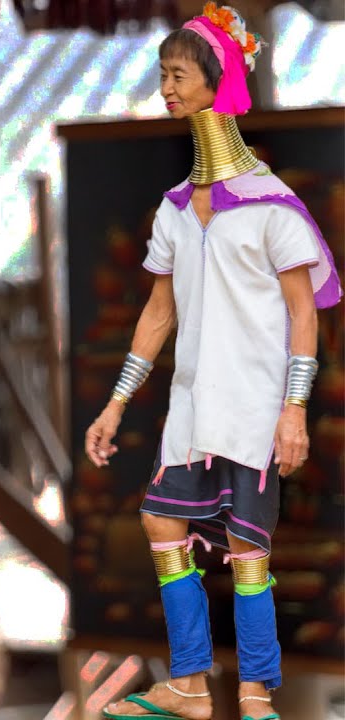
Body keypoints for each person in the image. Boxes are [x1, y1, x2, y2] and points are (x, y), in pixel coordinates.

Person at [86, 5, 342, 720]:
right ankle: (194, 687)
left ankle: (256, 699)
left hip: (254, 405)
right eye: (162, 75)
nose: (165, 88)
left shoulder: (272, 208)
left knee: (248, 550)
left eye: (177, 75)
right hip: (193, 408)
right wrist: (116, 403)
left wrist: (293, 410)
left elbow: (302, 313)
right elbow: (158, 314)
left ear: (214, 82)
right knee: (162, 525)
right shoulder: (174, 210)